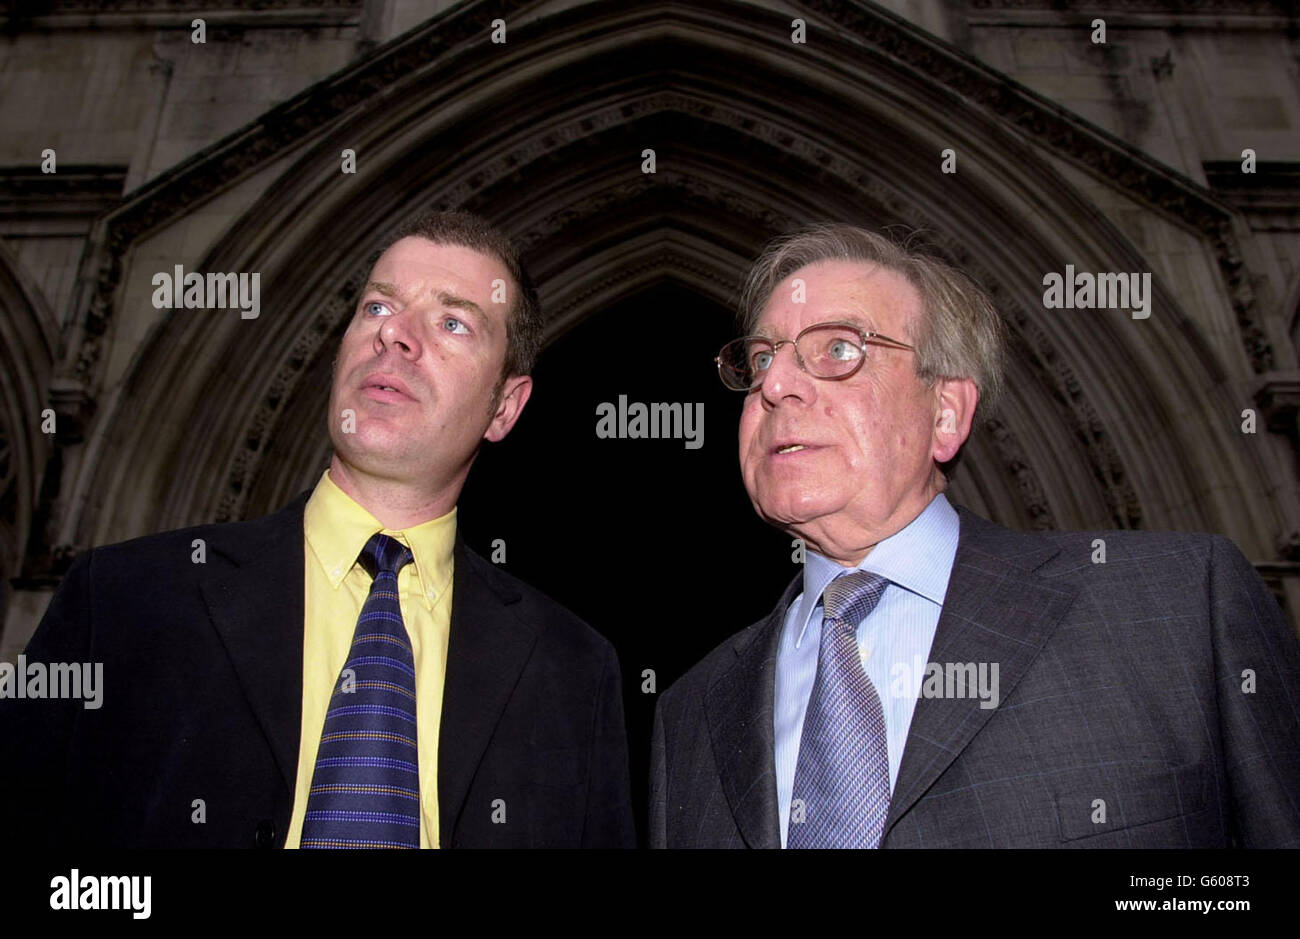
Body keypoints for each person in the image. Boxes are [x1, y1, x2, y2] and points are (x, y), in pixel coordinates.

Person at [649, 223, 1300, 848]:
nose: (776, 384)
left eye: (839, 349)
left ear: (947, 412)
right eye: (762, 358)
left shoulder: (1175, 608)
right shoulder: (692, 712)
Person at [0, 210, 635, 848]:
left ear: (504, 407)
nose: (397, 337)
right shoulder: (123, 600)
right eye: (378, 308)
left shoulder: (574, 671)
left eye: (452, 323)